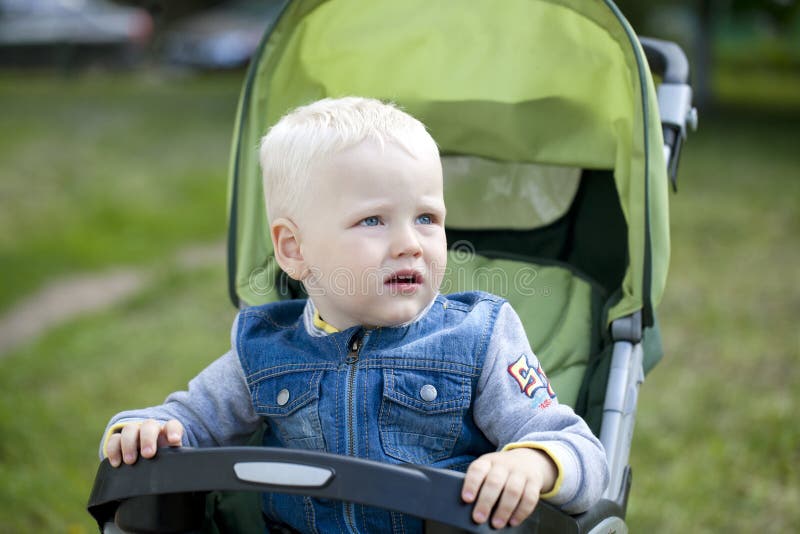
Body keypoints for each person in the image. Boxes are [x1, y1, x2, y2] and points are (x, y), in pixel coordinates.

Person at [100, 97, 608, 532]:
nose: (410, 244)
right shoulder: (264, 347)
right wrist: (145, 429)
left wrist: (532, 462)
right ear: (294, 249)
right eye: (373, 220)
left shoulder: (477, 338)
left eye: (427, 218)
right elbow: (190, 419)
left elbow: (576, 447)